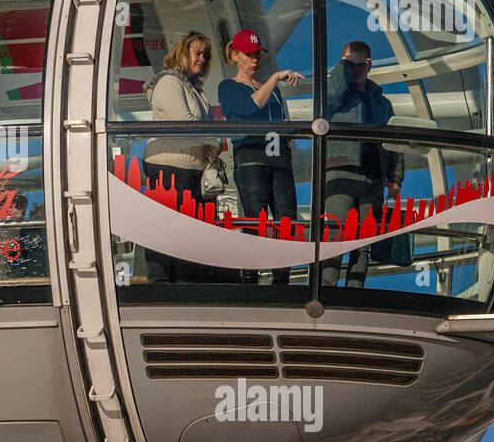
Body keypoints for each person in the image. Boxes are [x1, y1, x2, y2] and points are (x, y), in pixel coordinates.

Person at [218, 28, 302, 285]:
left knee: (286, 219)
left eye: (257, 56)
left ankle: (281, 278)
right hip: (251, 157)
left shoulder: (270, 90)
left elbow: (273, 116)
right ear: (235, 56)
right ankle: (251, 278)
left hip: (278, 157)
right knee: (255, 219)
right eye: (249, 55)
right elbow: (248, 107)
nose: (254, 61)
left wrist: (287, 127)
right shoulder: (229, 86)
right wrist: (275, 77)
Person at [142, 31, 226, 282]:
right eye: (197, 53)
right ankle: (164, 285)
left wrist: (213, 143)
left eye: (205, 55)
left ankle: (189, 282)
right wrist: (213, 140)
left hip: (193, 169)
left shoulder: (196, 89)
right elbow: (185, 122)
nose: (202, 58)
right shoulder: (170, 82)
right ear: (183, 53)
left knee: (192, 232)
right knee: (170, 231)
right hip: (169, 167)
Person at [320, 41, 404, 287]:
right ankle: (326, 290)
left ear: (368, 65)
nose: (353, 70)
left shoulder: (382, 103)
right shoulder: (336, 96)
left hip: (373, 177)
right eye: (348, 65)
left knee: (363, 242)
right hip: (341, 171)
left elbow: (395, 139)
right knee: (334, 235)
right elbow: (328, 98)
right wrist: (342, 67)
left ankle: (354, 293)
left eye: (358, 65)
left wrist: (395, 177)